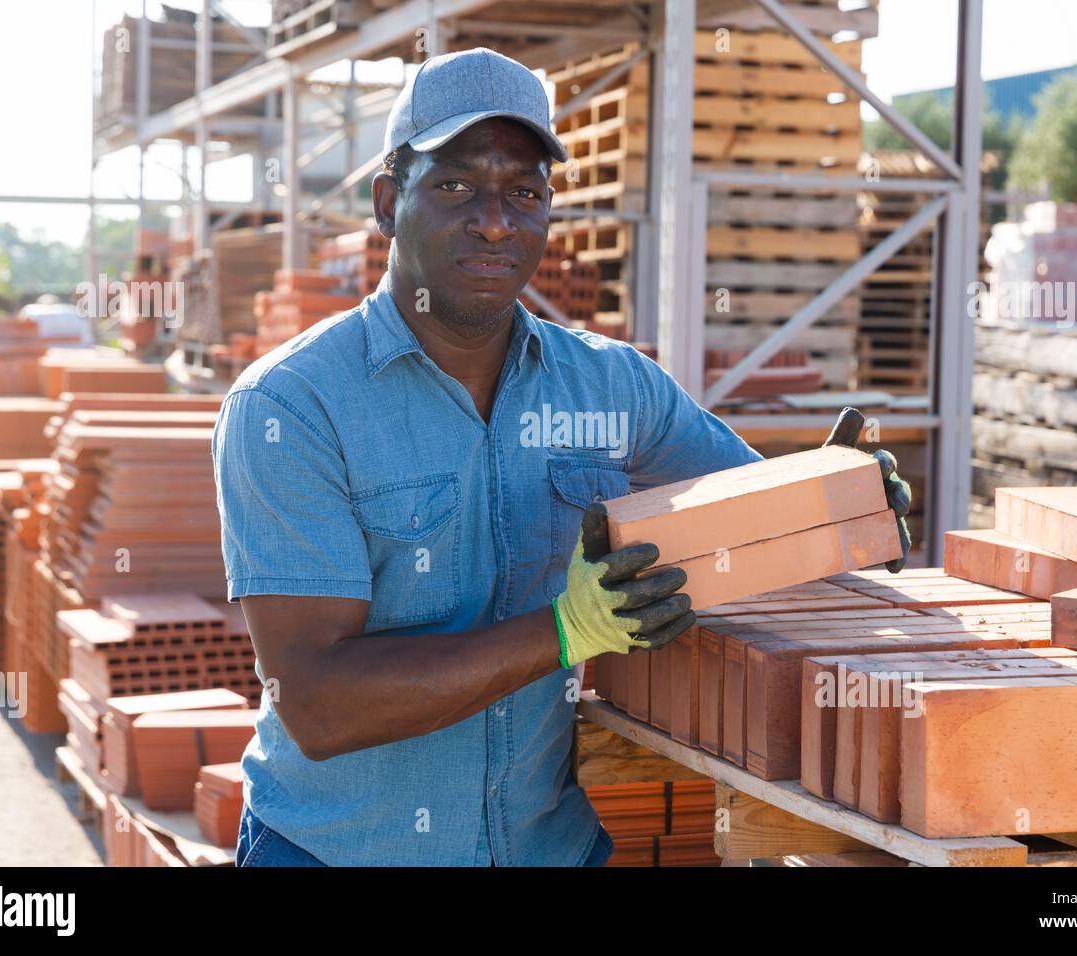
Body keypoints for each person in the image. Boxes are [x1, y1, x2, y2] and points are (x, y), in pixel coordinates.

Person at [213, 47, 909, 867]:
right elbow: (320, 703)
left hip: (549, 847)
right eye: (456, 186)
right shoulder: (292, 407)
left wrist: (833, 500)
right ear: (386, 202)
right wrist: (566, 629)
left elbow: (749, 513)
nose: (497, 220)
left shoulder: (612, 387)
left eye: (525, 192)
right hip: (339, 852)